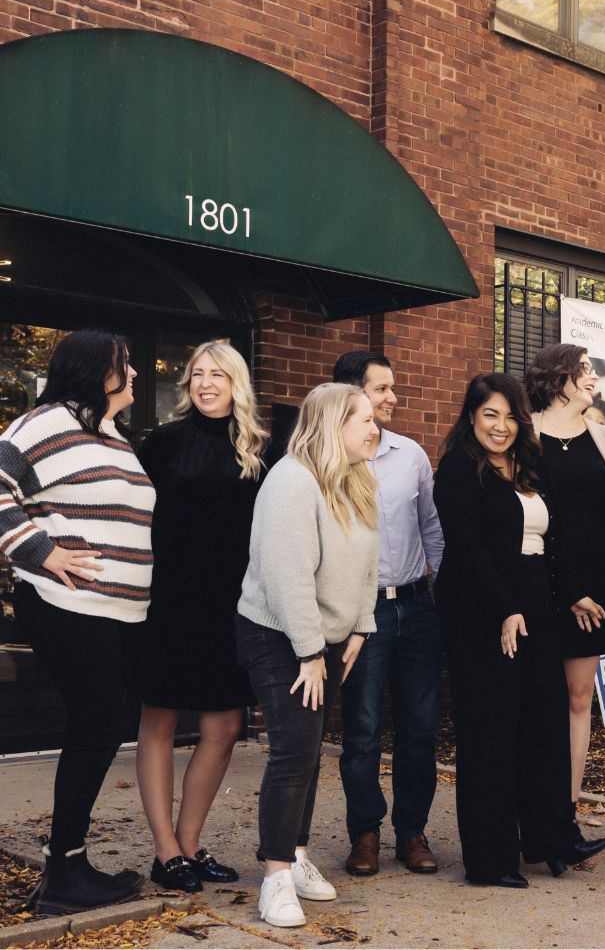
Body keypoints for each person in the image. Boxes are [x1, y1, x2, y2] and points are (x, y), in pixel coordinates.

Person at [0, 329, 151, 916]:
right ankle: (65, 870)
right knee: (99, 721)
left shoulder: (110, 436)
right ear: (98, 371)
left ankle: (68, 864)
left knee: (101, 723)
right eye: (127, 364)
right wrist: (41, 551)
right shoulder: (48, 421)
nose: (137, 374)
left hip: (109, 611)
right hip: (68, 606)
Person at [233, 383, 382, 929]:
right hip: (280, 637)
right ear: (331, 425)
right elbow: (286, 574)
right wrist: (310, 652)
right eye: (363, 419)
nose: (375, 428)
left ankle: (294, 857)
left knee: (310, 748)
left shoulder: (360, 480)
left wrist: (361, 630)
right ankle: (274, 878)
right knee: (294, 751)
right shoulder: (292, 481)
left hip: (331, 641)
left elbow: (371, 565)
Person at [433, 373, 575, 887]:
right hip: (480, 609)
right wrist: (505, 609)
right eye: (489, 414)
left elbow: (547, 538)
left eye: (510, 415)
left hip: (533, 601)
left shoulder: (528, 466)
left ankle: (546, 839)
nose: (501, 425)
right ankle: (489, 861)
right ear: (471, 416)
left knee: (541, 719)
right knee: (490, 731)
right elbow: (468, 549)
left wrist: (563, 595)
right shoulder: (456, 469)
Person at [136, 340, 267, 894]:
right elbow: (135, 519)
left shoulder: (261, 447)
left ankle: (190, 844)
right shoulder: (163, 443)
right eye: (197, 374)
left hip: (233, 605)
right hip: (168, 600)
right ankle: (165, 851)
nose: (206, 383)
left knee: (224, 725)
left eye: (218, 374)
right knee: (160, 719)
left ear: (238, 382)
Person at [332, 351, 444, 878]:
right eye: (382, 389)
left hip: (416, 607)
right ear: (354, 394)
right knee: (362, 729)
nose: (393, 398)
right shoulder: (329, 457)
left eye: (392, 388)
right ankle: (366, 834)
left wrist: (442, 592)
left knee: (420, 729)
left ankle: (412, 832)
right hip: (361, 613)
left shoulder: (412, 455)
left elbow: (431, 528)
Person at [526, 344, 605, 861]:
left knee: (580, 697)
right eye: (583, 368)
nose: (592, 377)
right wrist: (567, 591)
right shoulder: (526, 436)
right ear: (557, 377)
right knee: (540, 703)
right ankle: (535, 820)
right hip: (545, 587)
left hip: (596, 587)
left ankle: (565, 820)